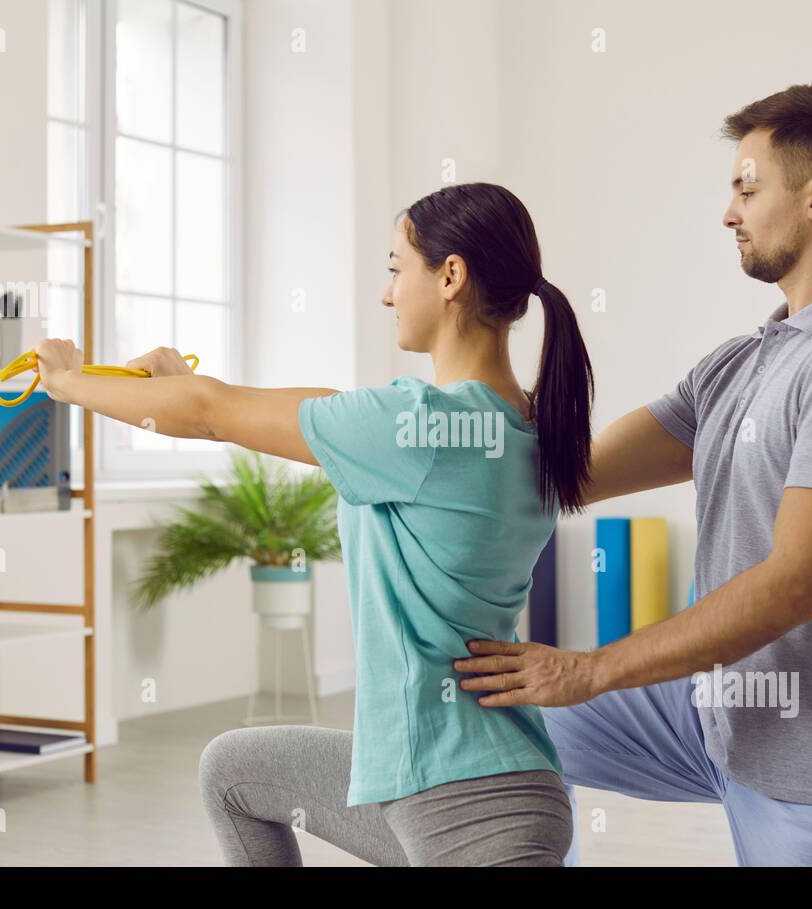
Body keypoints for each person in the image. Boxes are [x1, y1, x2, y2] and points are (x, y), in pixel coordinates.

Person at [34, 182, 594, 866]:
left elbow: (210, 412)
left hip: (461, 811)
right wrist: (170, 384)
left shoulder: (420, 426)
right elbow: (223, 407)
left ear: (451, 276)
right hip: (476, 783)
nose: (387, 294)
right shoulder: (529, 424)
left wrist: (65, 384)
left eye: (395, 267)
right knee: (233, 770)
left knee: (230, 769)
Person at [457, 84, 812, 866]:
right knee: (505, 728)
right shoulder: (743, 360)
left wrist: (591, 668)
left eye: (747, 188)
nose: (729, 212)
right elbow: (569, 473)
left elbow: (792, 586)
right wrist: (453, 377)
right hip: (712, 712)